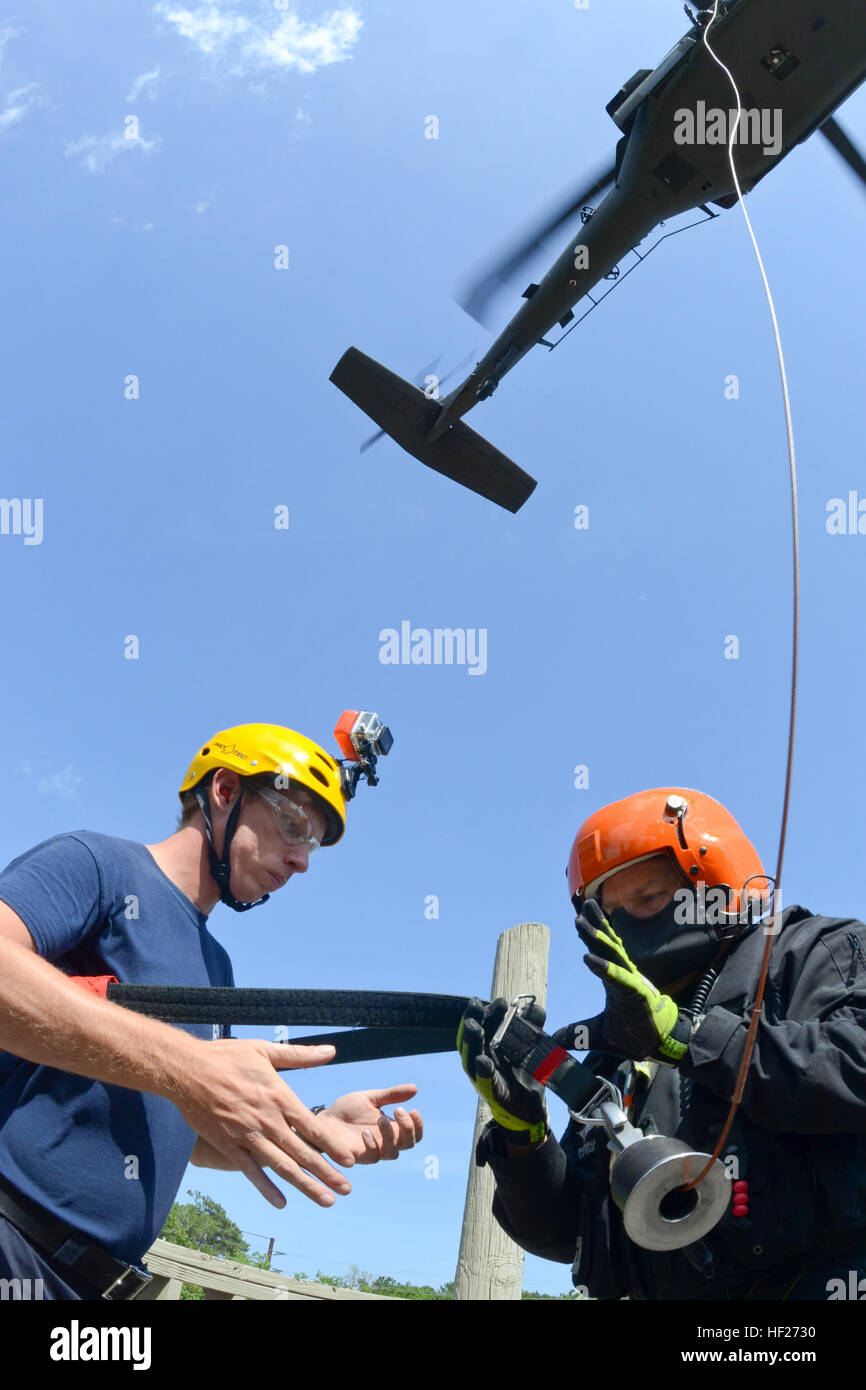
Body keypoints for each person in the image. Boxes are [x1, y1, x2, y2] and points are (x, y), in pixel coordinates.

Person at [0, 723, 422, 1300]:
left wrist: (311, 1124)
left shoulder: (217, 967)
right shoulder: (96, 864)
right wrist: (190, 1066)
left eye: (313, 845)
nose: (301, 861)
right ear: (224, 790)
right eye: (294, 825)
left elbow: (190, 1133)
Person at [458, 787, 866, 1300]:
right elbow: (567, 1236)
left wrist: (687, 1039)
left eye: (649, 899)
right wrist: (524, 1139)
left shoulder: (808, 954)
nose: (628, 923)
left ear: (714, 883)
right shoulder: (614, 1050)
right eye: (612, 913)